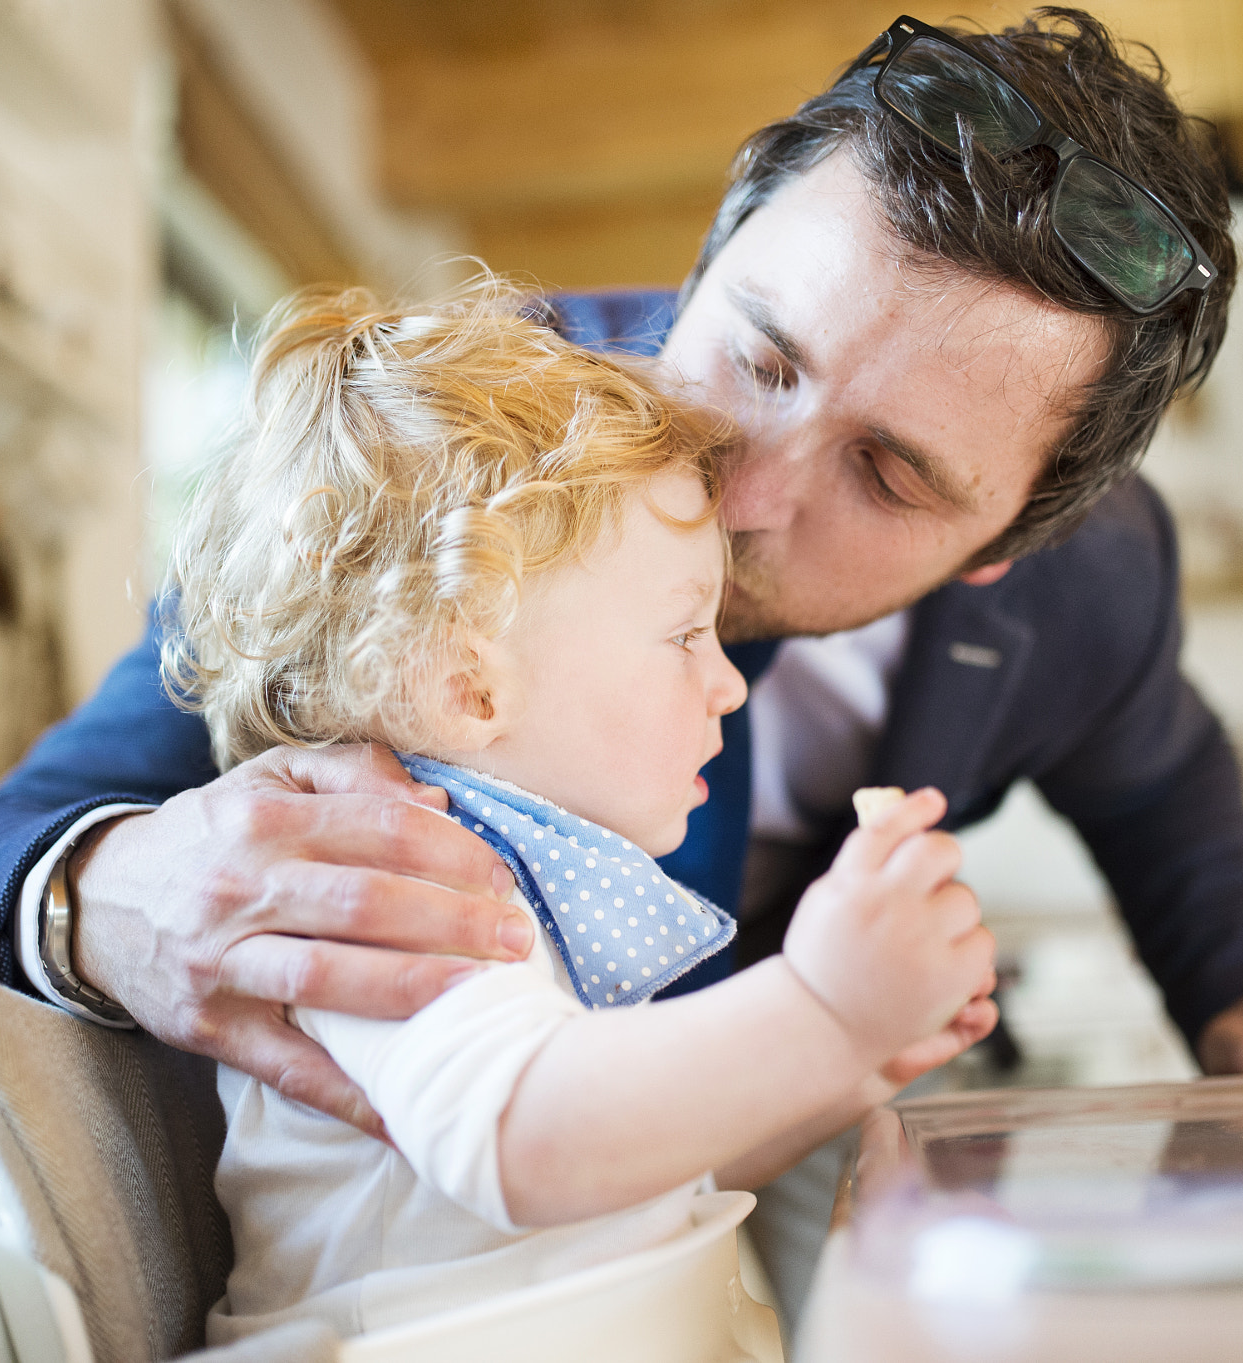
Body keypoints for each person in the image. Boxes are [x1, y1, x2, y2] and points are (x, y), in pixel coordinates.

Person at [0, 5, 1243, 1326]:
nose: (745, 491)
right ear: (711, 253)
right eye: (760, 353)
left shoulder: (1098, 593)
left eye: (893, 475)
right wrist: (104, 893)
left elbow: (1167, 780)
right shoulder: (440, 465)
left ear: (1011, 538)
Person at [169, 281, 996, 1345]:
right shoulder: (393, 879)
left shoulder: (525, 881)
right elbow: (527, 1142)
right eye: (682, 634)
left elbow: (625, 1177)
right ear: (469, 685)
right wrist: (820, 1005)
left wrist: (840, 1068)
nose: (730, 684)